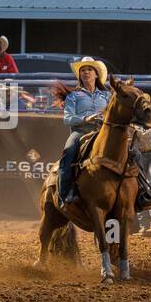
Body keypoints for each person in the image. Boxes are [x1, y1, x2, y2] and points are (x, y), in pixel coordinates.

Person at [56, 57, 110, 207]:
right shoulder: (73, 96)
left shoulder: (107, 95)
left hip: (103, 132)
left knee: (132, 153)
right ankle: (65, 194)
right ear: (80, 75)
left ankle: (140, 193)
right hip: (81, 132)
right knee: (68, 152)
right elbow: (67, 119)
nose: (86, 73)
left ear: (96, 74)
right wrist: (86, 118)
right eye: (83, 71)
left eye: (89, 70)